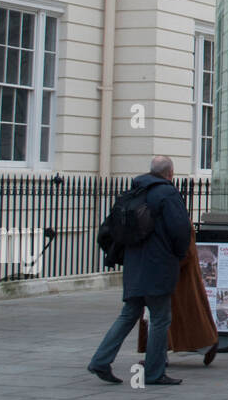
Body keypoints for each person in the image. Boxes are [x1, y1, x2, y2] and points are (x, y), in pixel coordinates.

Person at [88, 155, 191, 386]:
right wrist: (179, 254)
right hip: (159, 265)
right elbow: (180, 230)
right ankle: (155, 372)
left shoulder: (135, 191)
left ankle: (101, 360)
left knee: (128, 315)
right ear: (170, 174)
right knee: (160, 318)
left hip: (135, 265)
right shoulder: (168, 194)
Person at [137, 221, 218, 365]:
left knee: (173, 314)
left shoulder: (172, 214)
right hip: (160, 268)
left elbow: (185, 249)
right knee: (157, 315)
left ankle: (206, 345)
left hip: (170, 270)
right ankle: (158, 356)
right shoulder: (160, 211)